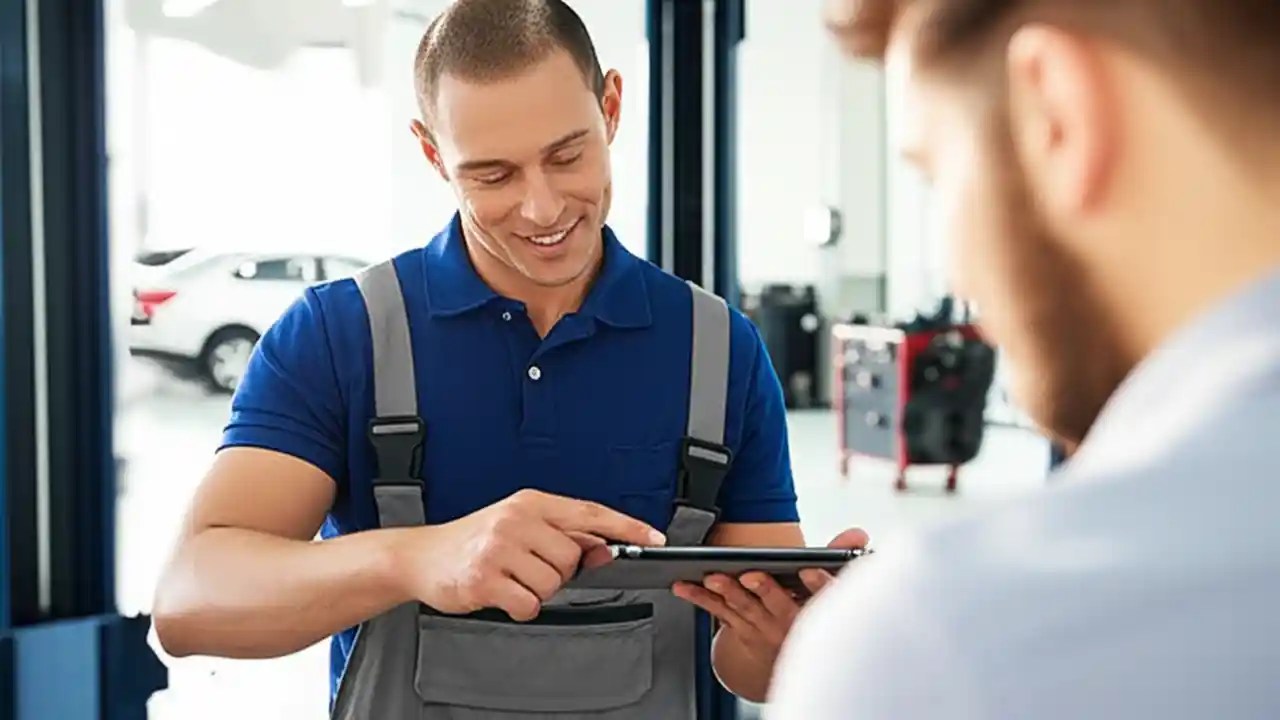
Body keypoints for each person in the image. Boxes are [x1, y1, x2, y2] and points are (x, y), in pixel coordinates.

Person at [150, 0, 864, 715]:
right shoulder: (342, 334)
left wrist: (790, 641)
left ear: (610, 106)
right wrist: (418, 556)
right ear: (433, 154)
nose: (542, 209)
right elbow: (189, 603)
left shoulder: (718, 350)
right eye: (493, 176)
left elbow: (754, 671)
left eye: (568, 155)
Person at [768, 1, 1280, 717]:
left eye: (935, 170)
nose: (957, 277)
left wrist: (866, 660)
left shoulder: (941, 648)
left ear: (1057, 116)